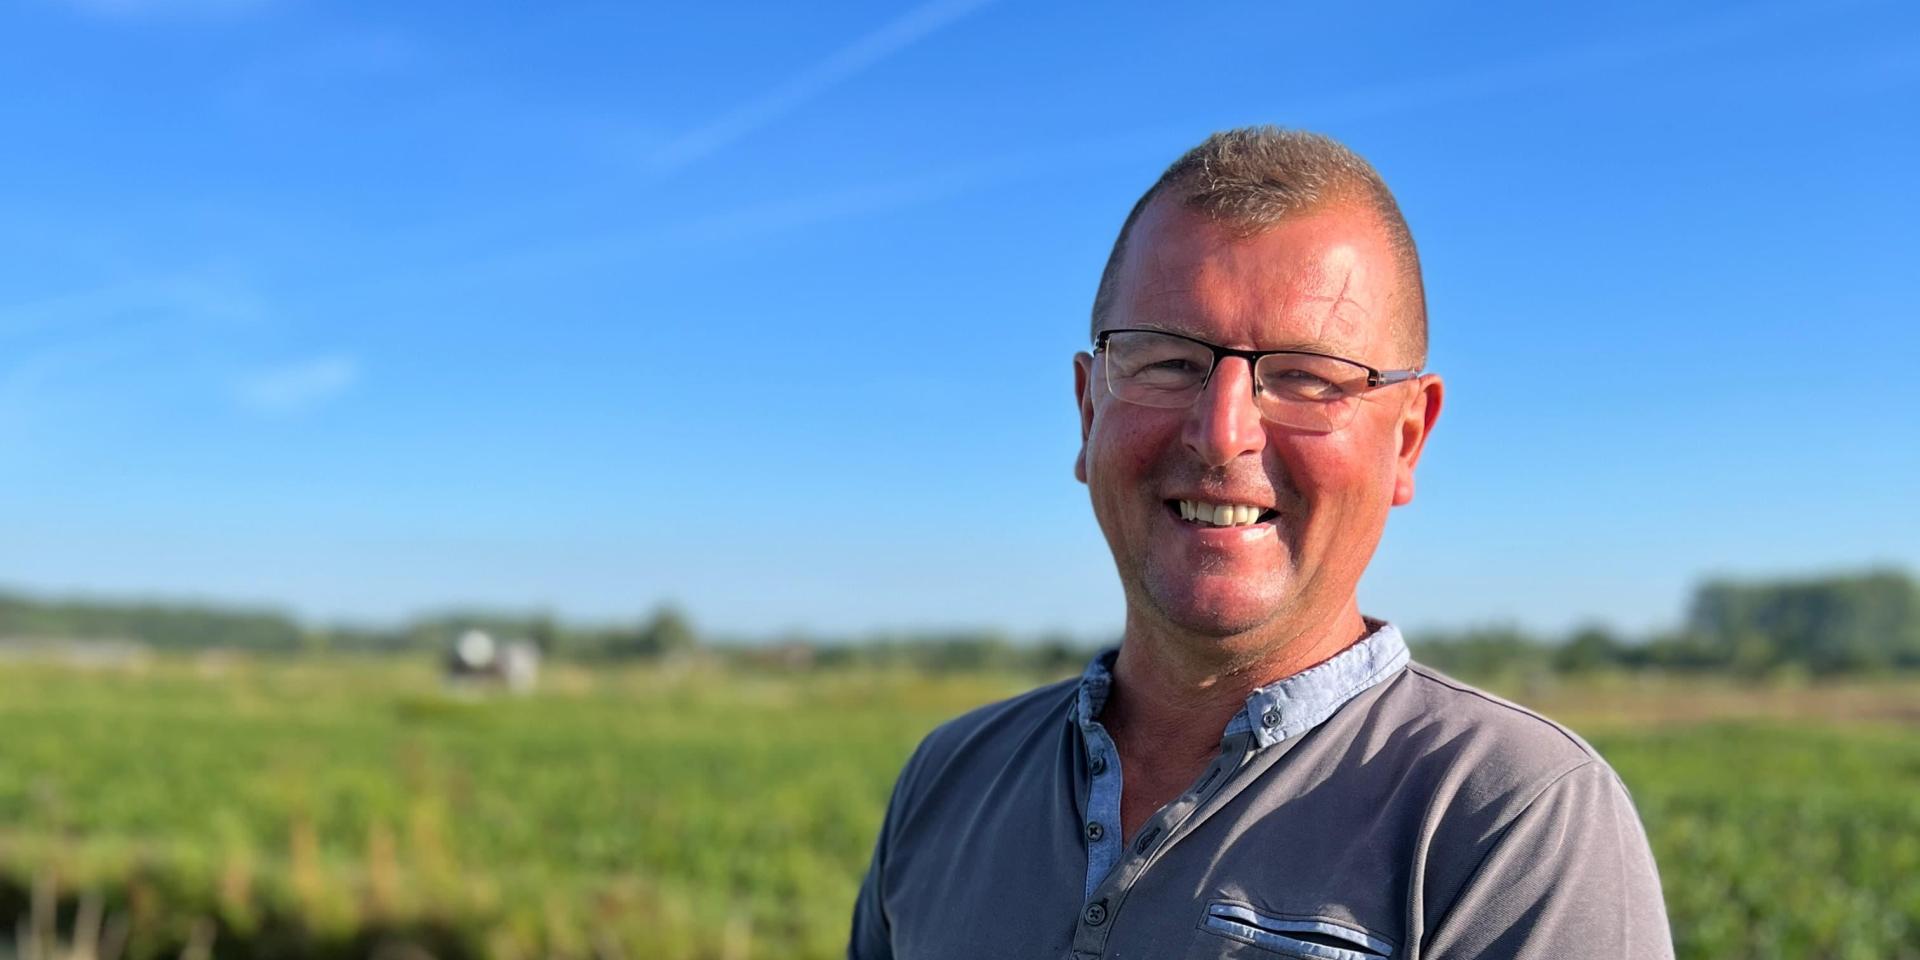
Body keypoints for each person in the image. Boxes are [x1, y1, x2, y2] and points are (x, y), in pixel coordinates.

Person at [847, 127, 1672, 960]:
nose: (1221, 433)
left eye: (1307, 376)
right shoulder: (949, 779)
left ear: (1408, 440)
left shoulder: (1513, 824)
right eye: (1167, 361)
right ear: (1089, 409)